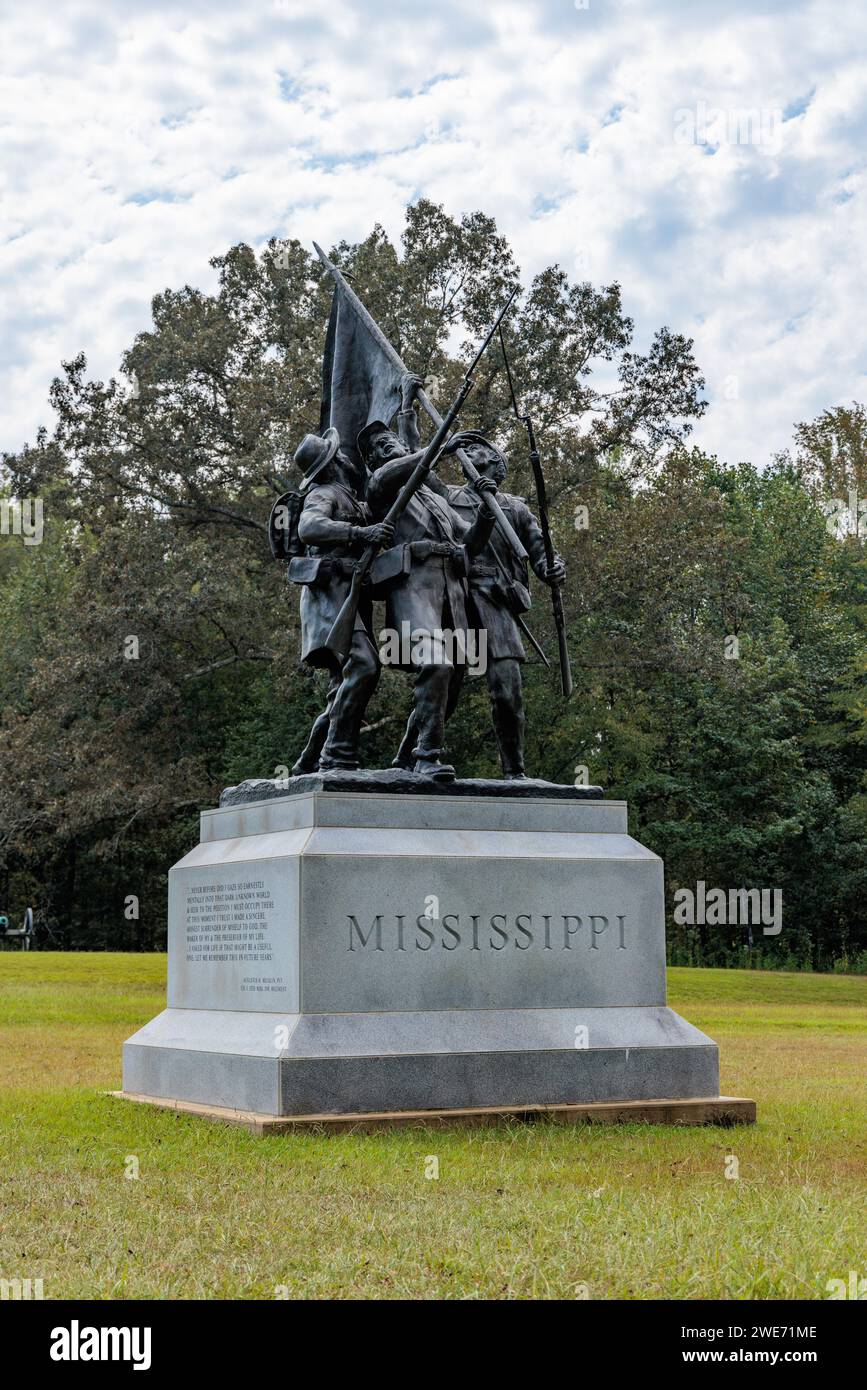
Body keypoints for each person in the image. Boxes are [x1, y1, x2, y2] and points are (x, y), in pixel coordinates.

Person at [359, 376, 497, 780]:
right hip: (413, 586)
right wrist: (436, 442)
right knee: (434, 664)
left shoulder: (434, 496)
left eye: (390, 443)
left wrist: (486, 510)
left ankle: (408, 752)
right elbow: (415, 460)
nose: (386, 449)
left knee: (454, 676)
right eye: (377, 450)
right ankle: (427, 758)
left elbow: (468, 541)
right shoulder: (380, 486)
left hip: (451, 588)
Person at [442, 430, 566, 778]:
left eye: (476, 447)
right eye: (463, 447)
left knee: (508, 690)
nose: (467, 449)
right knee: (442, 688)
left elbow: (542, 555)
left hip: (498, 602)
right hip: (457, 599)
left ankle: (515, 771)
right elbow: (417, 477)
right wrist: (441, 448)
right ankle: (414, 757)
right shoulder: (448, 498)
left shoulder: (516, 507)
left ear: (496, 460)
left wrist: (552, 568)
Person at [274, 427, 393, 772]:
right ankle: (336, 755)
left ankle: (308, 760)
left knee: (344, 682)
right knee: (364, 666)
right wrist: (360, 532)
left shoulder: (350, 497)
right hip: (329, 596)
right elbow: (308, 528)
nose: (345, 457)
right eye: (339, 454)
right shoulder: (323, 493)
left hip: (350, 595)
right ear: (334, 462)